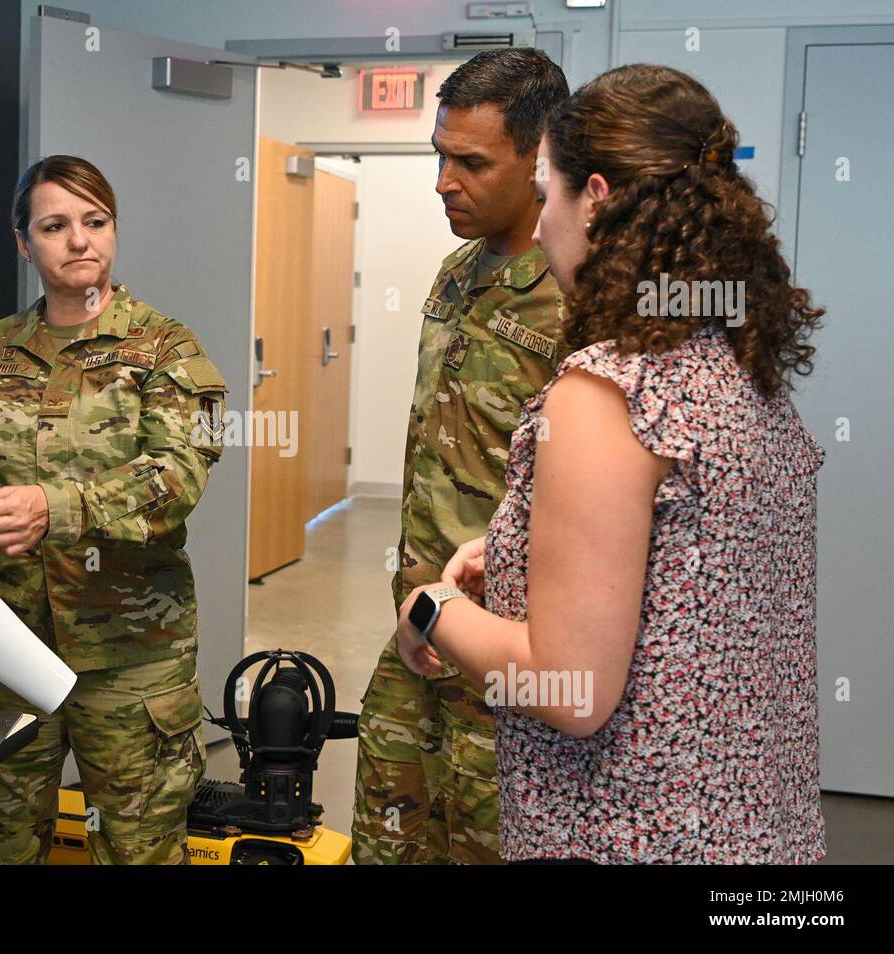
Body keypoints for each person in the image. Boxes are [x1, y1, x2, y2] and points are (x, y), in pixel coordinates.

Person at [395, 63, 827, 864]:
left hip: (624, 832)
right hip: (755, 839)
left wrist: (429, 610)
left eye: (547, 191)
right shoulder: (735, 367)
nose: (543, 215)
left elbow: (576, 691)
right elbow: (691, 575)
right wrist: (517, 551)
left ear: (594, 197)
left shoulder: (605, 393)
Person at [0, 155, 228, 865]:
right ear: (24, 243)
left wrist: (54, 508)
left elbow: (178, 473)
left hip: (130, 657)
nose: (80, 241)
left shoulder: (166, 351)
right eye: (55, 226)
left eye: (95, 222)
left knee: (138, 851)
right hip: (5, 643)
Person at [352, 48, 570, 865]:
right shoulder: (454, 272)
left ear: (541, 159)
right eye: (440, 156)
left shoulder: (575, 296)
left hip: (509, 653)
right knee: (389, 843)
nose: (445, 180)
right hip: (418, 629)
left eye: (471, 162)